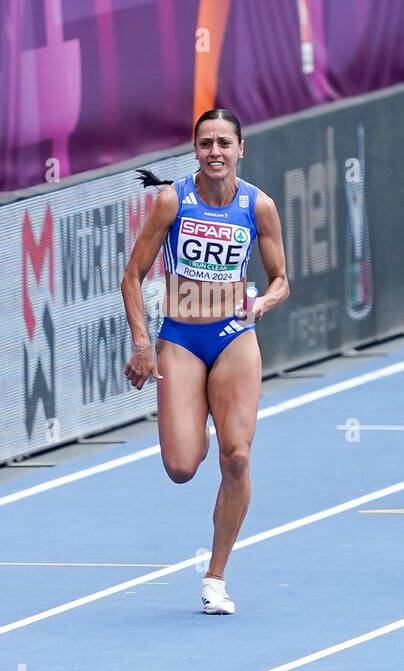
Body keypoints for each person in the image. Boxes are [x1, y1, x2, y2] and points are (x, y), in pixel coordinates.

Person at [122, 109, 289, 614]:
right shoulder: (174, 201)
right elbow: (132, 276)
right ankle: (198, 414)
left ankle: (215, 576)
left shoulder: (258, 206)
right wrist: (142, 343)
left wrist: (263, 302)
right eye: (205, 143)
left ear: (241, 149)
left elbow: (281, 277)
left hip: (235, 336)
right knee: (180, 466)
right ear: (195, 150)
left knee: (236, 456)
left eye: (224, 143)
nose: (215, 152)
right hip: (181, 339)